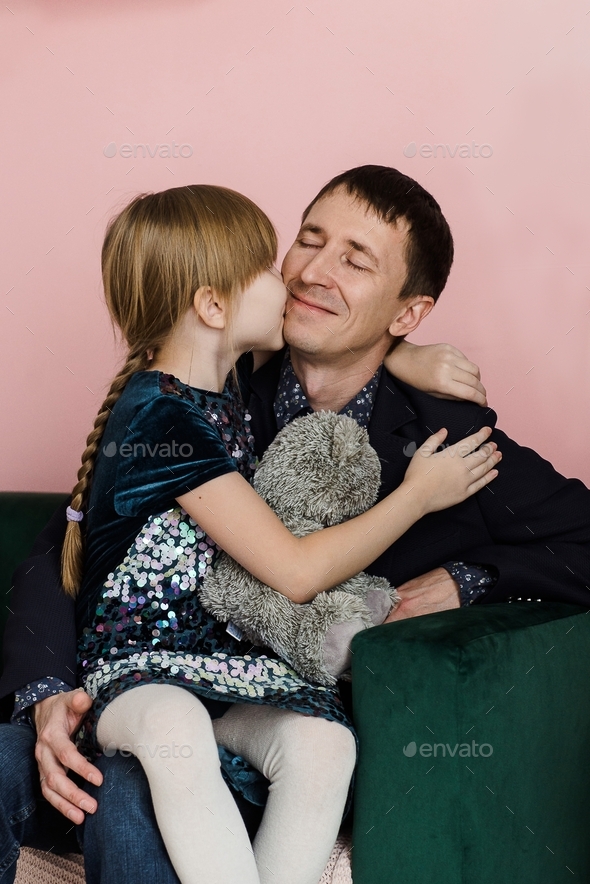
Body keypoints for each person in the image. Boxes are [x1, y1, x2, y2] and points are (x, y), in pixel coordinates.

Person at [2, 164, 589, 883]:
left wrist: (470, 580)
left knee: (137, 785)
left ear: (407, 313)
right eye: (309, 240)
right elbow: (70, 541)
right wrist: (44, 692)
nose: (312, 271)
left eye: (356, 261)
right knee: (71, 768)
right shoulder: (216, 381)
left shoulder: (447, 440)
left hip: (280, 725)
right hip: (151, 690)